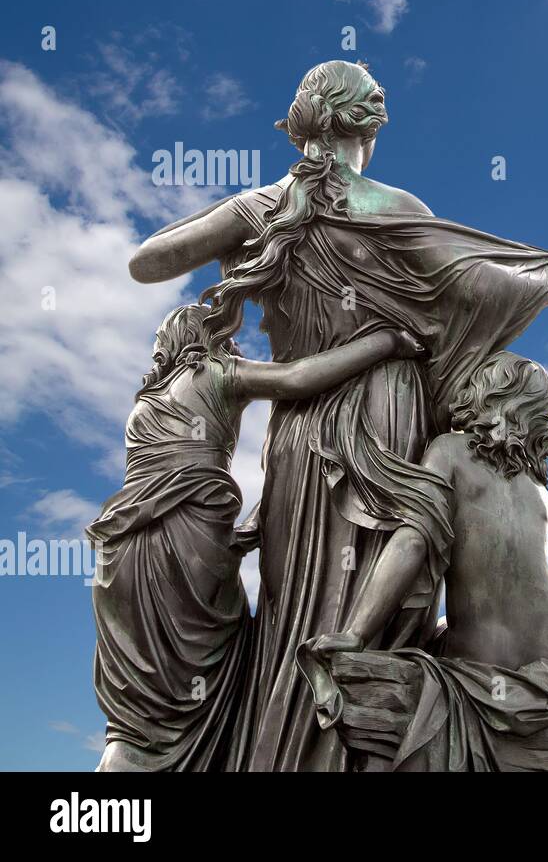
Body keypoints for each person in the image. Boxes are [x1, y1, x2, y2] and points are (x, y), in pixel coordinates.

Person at [128, 60, 548, 770]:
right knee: (389, 610)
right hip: (389, 417)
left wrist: (251, 212)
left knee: (296, 611)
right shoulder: (396, 208)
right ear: (367, 127)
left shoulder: (263, 209)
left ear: (303, 125)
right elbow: (478, 285)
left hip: (302, 427)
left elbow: (148, 261)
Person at [89, 302, 424, 771]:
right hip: (182, 554)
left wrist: (248, 530)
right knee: (200, 683)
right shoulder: (214, 372)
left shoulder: (146, 401)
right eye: (228, 334)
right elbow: (297, 378)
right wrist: (385, 342)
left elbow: (171, 476)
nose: (239, 341)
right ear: (207, 339)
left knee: (143, 714)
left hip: (121, 554)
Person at [299, 352, 548, 771]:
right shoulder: (536, 482)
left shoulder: (450, 450)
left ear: (487, 392)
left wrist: (356, 632)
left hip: (491, 658)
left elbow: (413, 542)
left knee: (391, 727)